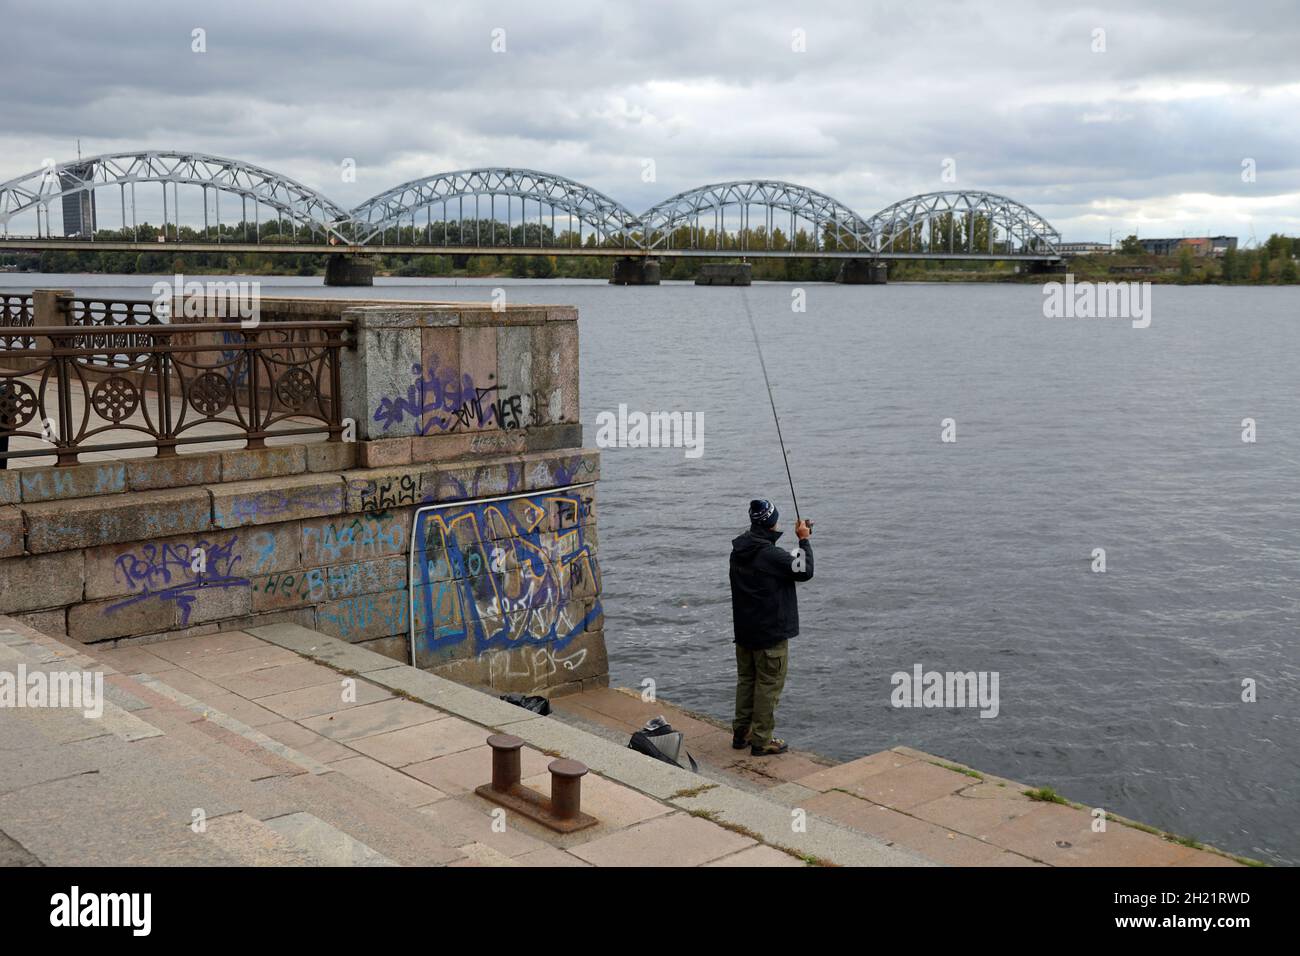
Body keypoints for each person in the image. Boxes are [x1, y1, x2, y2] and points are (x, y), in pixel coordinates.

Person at [729, 498, 814, 756]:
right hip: (770, 636)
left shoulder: (740, 548)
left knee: (747, 681)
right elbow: (804, 570)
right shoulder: (770, 555)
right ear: (770, 522)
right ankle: (762, 740)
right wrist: (804, 540)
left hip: (745, 632)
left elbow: (769, 561)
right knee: (768, 686)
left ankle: (741, 733)